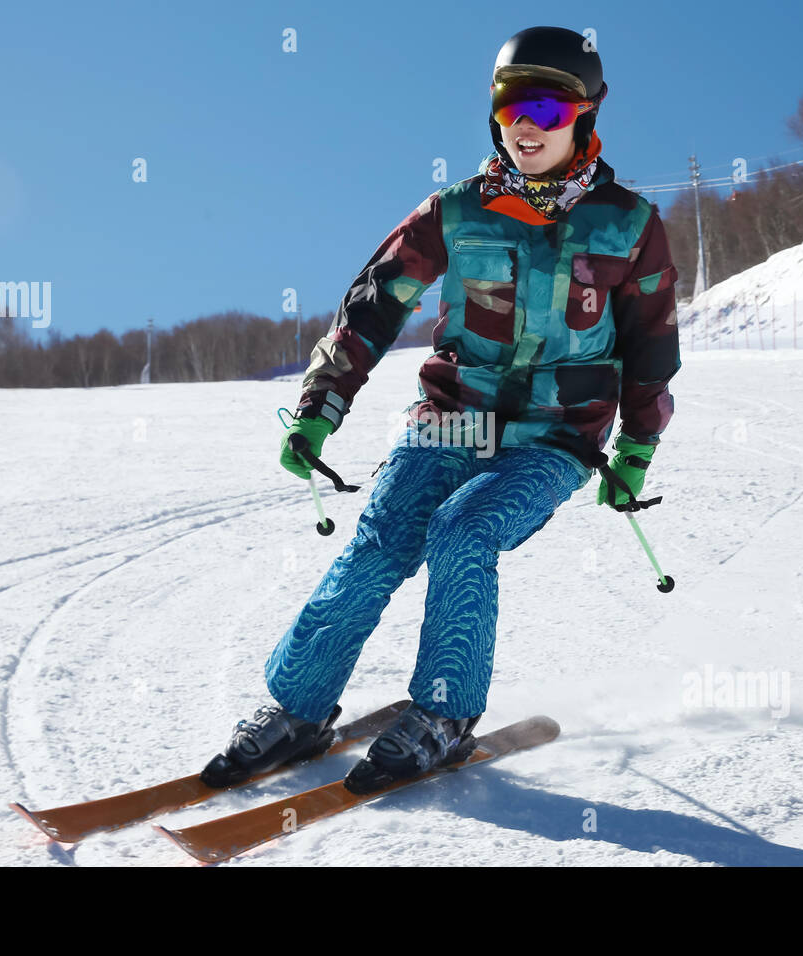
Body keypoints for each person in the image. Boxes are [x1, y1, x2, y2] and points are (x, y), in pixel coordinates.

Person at [201, 25, 680, 795]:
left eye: (549, 109)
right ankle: (298, 708)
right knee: (383, 541)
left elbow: (652, 343)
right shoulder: (456, 211)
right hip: (451, 418)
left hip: (555, 436)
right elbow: (374, 305)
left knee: (464, 531)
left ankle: (446, 716)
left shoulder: (628, 225)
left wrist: (636, 447)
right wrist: (321, 405)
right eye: (511, 105)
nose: (526, 125)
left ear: (586, 115)